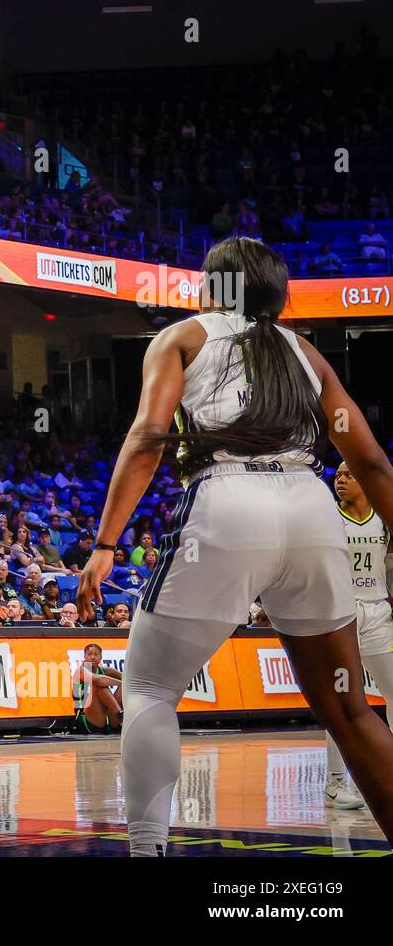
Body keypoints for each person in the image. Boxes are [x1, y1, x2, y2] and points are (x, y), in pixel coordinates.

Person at [77, 237, 393, 855]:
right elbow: (373, 460)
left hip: (227, 500)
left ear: (212, 285)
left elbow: (147, 437)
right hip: (309, 505)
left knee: (149, 689)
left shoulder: (183, 338)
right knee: (353, 712)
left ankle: (148, 850)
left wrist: (105, 542)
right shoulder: (307, 354)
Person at [324, 462, 393, 809]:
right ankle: (336, 784)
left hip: (378, 612)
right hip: (342, 615)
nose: (340, 479)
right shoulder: (328, 518)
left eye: (348, 474)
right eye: (337, 475)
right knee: (343, 702)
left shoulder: (383, 518)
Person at [73, 643, 123, 734]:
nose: (92, 657)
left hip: (107, 717)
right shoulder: (81, 670)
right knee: (97, 683)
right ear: (84, 656)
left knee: (125, 686)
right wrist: (120, 682)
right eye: (89, 654)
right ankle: (120, 713)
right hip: (86, 718)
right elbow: (97, 679)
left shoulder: (107, 670)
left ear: (100, 657)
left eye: (96, 654)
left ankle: (123, 714)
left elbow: (129, 678)